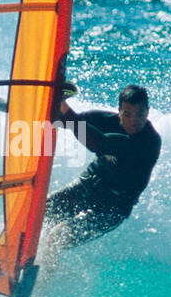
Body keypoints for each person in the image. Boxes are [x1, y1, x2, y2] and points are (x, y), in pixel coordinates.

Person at [44, 84, 161, 250]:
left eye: (139, 115)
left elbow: (99, 143)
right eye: (127, 114)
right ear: (119, 110)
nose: (133, 121)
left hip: (112, 207)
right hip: (87, 186)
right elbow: (58, 120)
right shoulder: (106, 120)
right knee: (38, 212)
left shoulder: (149, 142)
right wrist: (2, 105)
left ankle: (37, 277)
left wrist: (63, 103)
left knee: (57, 237)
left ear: (147, 112)